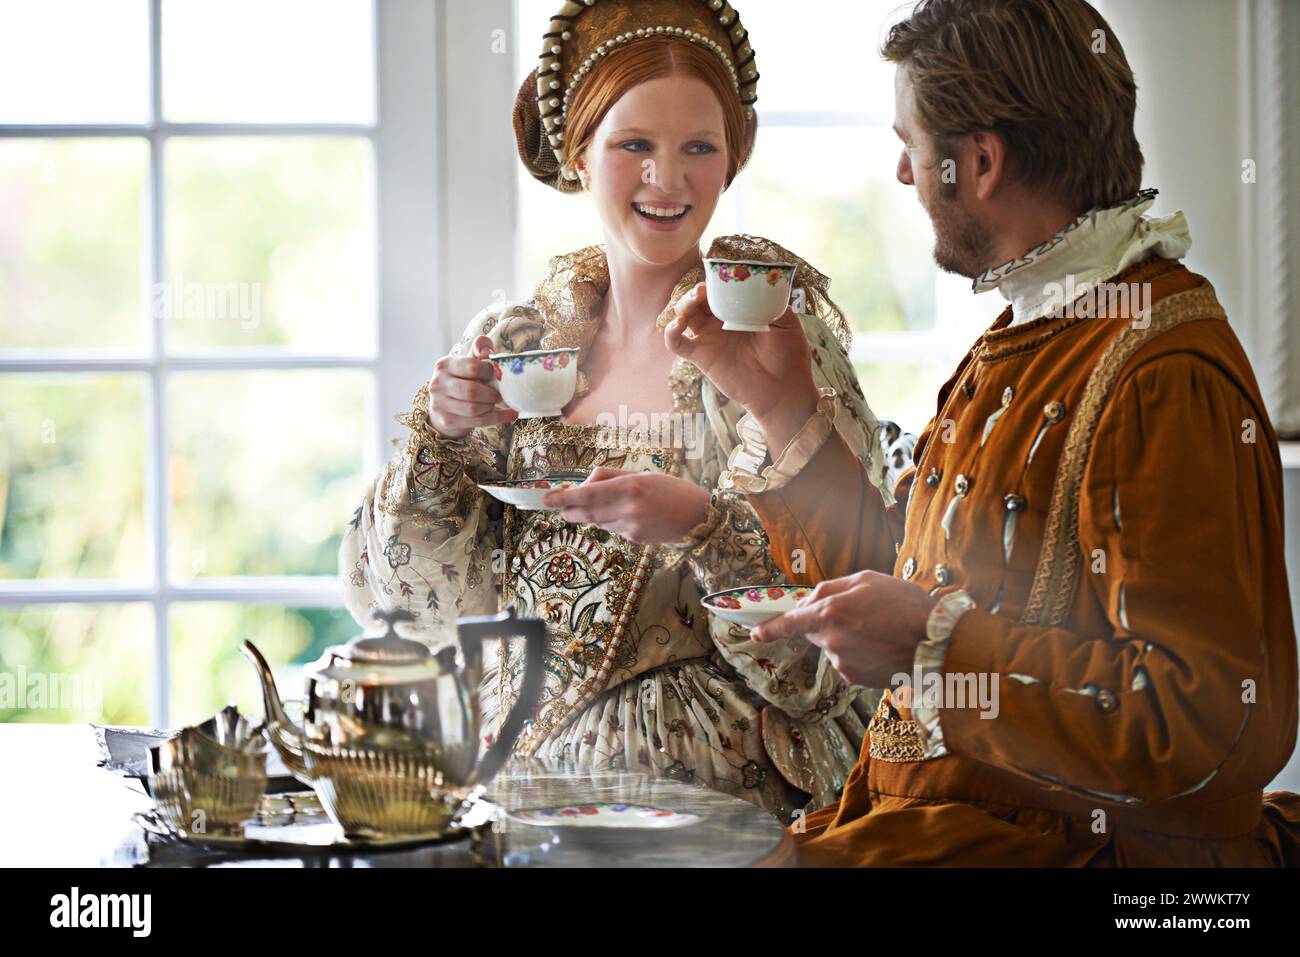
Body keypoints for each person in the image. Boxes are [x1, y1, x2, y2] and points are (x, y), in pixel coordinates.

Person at [667, 0, 1300, 864]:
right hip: (938, 825)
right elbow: (915, 583)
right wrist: (780, 409)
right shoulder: (1037, 326)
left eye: (913, 144)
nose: (902, 171)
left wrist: (939, 642)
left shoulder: (1162, 371)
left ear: (980, 163)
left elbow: (1207, 723)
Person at [338, 0, 887, 821]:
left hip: (713, 820)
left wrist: (705, 528)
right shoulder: (517, 344)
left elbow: (827, 663)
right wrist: (442, 436)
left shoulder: (772, 338)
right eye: (635, 145)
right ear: (579, 153)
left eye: (698, 147)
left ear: (732, 159)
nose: (667, 179)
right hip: (513, 805)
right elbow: (417, 614)